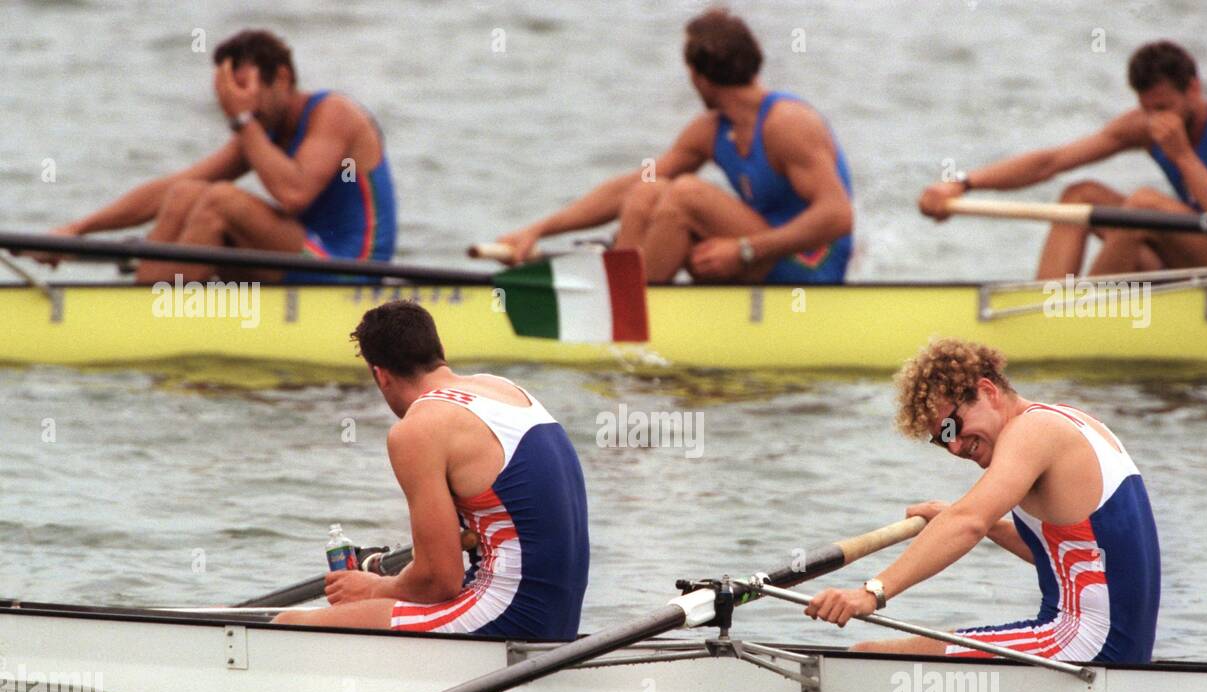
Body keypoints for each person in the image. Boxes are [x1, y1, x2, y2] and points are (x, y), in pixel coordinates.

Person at [805, 338, 1160, 664]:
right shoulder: (1074, 419)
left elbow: (966, 522)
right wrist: (992, 526)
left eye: (951, 428)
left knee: (867, 660)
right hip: (1119, 649)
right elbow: (1072, 556)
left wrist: (871, 593)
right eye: (941, 441)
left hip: (1082, 646)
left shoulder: (1031, 431)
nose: (955, 446)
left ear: (987, 391)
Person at [274, 300, 589, 639]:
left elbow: (438, 581)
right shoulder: (504, 389)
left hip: (508, 617)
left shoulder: (417, 428)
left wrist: (372, 589)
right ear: (438, 351)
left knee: (288, 626)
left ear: (380, 375)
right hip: (559, 618)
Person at [496, 8, 854, 284]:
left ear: (698, 77)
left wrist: (743, 250)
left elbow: (838, 215)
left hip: (811, 265)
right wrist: (537, 231)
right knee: (646, 191)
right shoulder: (711, 131)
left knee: (685, 195)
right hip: (761, 254)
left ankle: (628, 316)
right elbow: (628, 186)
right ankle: (623, 301)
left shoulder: (788, 123)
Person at [41, 29, 397, 284]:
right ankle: (141, 308)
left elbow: (294, 193)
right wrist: (76, 231)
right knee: (186, 194)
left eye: (243, 86)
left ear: (283, 78)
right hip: (306, 252)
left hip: (354, 265)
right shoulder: (263, 130)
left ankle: (152, 314)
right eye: (228, 90)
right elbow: (173, 186)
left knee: (220, 202)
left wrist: (242, 121)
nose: (235, 101)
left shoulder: (333, 113)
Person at [918, 40, 1207, 278]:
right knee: (1079, 194)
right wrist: (961, 184)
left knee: (1144, 203)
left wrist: (1183, 156)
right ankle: (1044, 305)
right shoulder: (1145, 124)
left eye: (1165, 107)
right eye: (1147, 109)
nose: (1157, 120)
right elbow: (1053, 161)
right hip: (1197, 253)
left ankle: (1083, 318)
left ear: (1193, 89)